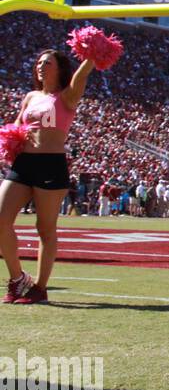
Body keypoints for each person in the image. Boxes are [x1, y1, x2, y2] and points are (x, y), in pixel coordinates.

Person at [2, 48, 98, 304]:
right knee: (1, 219)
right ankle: (17, 278)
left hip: (51, 164)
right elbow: (15, 126)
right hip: (23, 163)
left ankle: (40, 288)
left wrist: (93, 53)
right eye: (38, 63)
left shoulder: (67, 96)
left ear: (60, 68)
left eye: (47, 63)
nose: (41, 66)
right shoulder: (30, 96)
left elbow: (83, 72)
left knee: (44, 228)